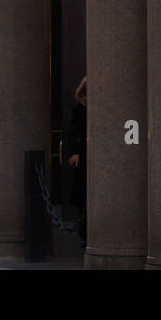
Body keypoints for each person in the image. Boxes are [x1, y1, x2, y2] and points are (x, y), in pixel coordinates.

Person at [65, 77, 87, 244]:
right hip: (83, 156)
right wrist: (75, 152)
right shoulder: (79, 110)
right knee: (83, 195)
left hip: (93, 155)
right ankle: (84, 232)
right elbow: (74, 133)